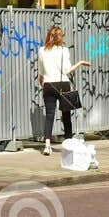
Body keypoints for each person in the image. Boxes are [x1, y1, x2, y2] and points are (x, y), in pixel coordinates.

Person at [36, 26, 90, 156]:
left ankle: (47, 146)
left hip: (48, 85)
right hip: (63, 85)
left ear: (49, 36)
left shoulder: (42, 50)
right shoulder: (64, 51)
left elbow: (41, 73)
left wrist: (43, 83)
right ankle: (68, 144)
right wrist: (81, 63)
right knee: (66, 116)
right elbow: (66, 70)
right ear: (60, 37)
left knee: (49, 115)